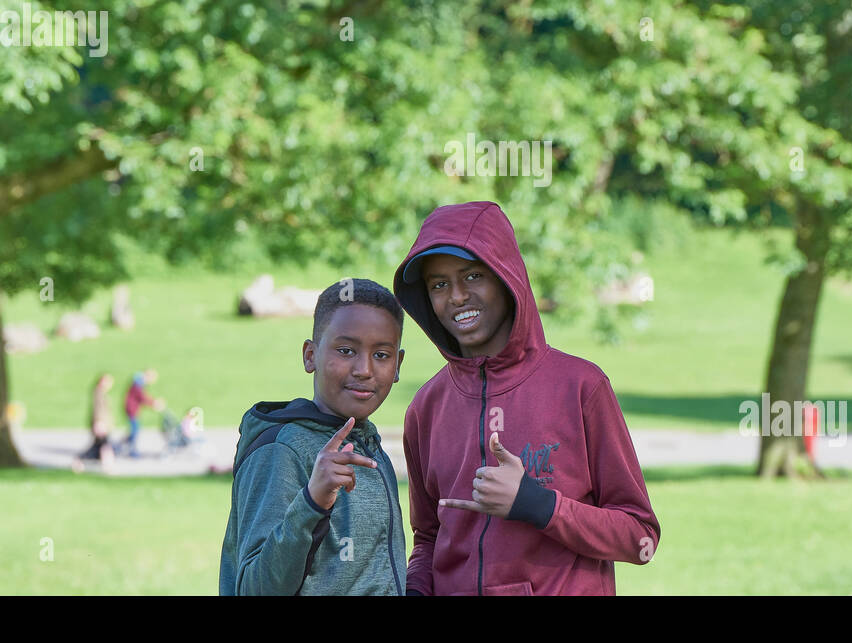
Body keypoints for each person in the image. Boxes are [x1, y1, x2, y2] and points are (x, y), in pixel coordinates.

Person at [393, 200, 660, 595]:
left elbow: (641, 538)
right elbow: (429, 538)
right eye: (439, 284)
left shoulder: (581, 387)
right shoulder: (425, 408)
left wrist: (538, 504)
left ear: (505, 276)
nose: (457, 296)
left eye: (473, 276)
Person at [219, 278, 408, 595]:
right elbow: (255, 588)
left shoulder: (371, 447)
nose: (364, 369)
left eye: (381, 355)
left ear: (398, 365)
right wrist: (311, 503)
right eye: (346, 350)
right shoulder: (281, 450)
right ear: (310, 355)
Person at [72, 373, 115, 473]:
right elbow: (98, 410)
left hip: (103, 424)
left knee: (97, 446)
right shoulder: (98, 393)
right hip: (101, 424)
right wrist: (99, 422)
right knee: (102, 445)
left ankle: (82, 460)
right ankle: (82, 460)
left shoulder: (101, 392)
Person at [122, 369, 164, 458]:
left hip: (132, 409)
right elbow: (141, 396)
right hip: (132, 409)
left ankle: (123, 446)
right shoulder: (138, 383)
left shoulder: (138, 382)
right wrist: (154, 403)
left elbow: (141, 396)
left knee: (134, 430)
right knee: (135, 430)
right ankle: (131, 450)